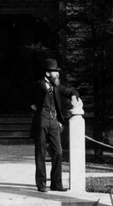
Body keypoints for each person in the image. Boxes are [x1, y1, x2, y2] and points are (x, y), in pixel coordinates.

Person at [26, 58, 80, 192]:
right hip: (41, 121)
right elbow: (19, 95)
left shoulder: (57, 87)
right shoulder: (37, 85)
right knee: (41, 153)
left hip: (54, 122)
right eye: (55, 72)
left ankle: (56, 184)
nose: (58, 74)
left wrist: (74, 97)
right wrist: (30, 105)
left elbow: (72, 91)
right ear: (47, 73)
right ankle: (41, 184)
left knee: (58, 152)